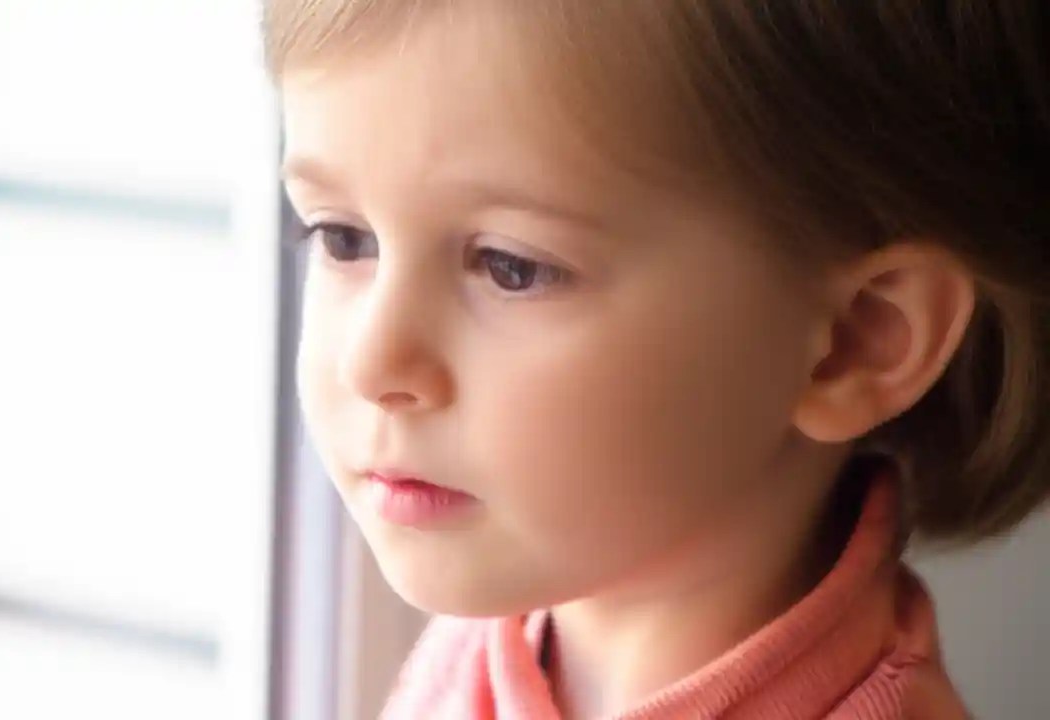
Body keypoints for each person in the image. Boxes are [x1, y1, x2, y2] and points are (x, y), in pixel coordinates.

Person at [264, 1, 1049, 717]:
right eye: (343, 238)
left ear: (855, 341)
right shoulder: (503, 635)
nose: (372, 362)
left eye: (512, 267)